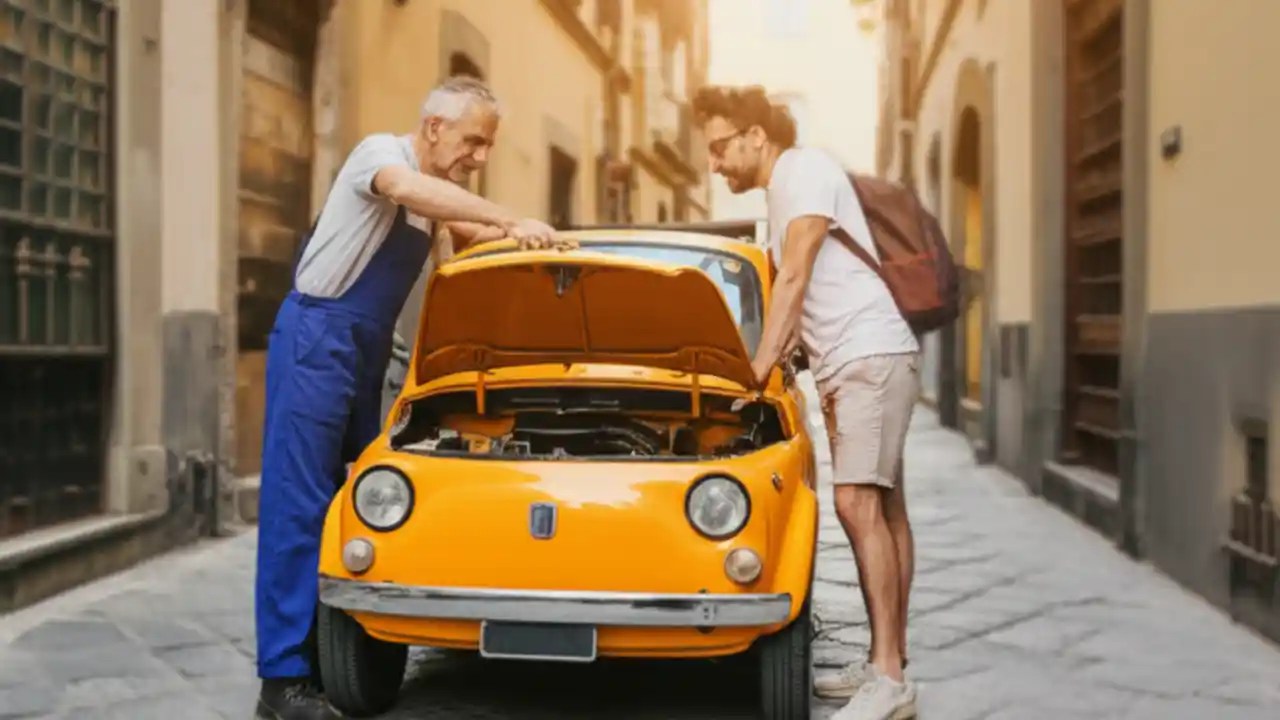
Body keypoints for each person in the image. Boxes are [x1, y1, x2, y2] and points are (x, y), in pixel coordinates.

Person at [254, 76, 569, 720]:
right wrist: (510, 215)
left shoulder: (438, 202)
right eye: (474, 142)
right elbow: (408, 192)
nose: (479, 158)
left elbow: (464, 251)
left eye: (487, 147)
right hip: (319, 335)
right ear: (433, 128)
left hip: (366, 348)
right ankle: (281, 682)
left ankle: (325, 651)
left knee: (354, 498)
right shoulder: (382, 157)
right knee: (298, 502)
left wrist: (545, 245)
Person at [692, 85, 922, 720]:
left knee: (856, 503)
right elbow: (798, 296)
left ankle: (889, 679)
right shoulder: (788, 184)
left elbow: (793, 275)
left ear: (755, 137)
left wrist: (756, 372)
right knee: (885, 509)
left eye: (718, 148)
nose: (713, 164)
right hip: (863, 356)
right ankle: (887, 660)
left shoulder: (804, 171)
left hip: (867, 356)